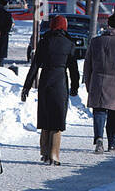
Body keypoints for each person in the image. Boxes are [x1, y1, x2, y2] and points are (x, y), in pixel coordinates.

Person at [21, 15, 79, 165]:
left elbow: (34, 66)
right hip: (60, 81)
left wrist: (26, 86)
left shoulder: (44, 42)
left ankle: (44, 152)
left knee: (45, 116)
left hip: (45, 80)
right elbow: (73, 69)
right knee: (58, 118)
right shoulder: (69, 43)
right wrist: (75, 86)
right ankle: (54, 154)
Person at [82, 11, 115, 153]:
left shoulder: (95, 41)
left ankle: (99, 138)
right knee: (114, 113)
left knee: (99, 111)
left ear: (108, 25)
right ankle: (112, 143)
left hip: (98, 81)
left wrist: (88, 82)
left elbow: (87, 64)